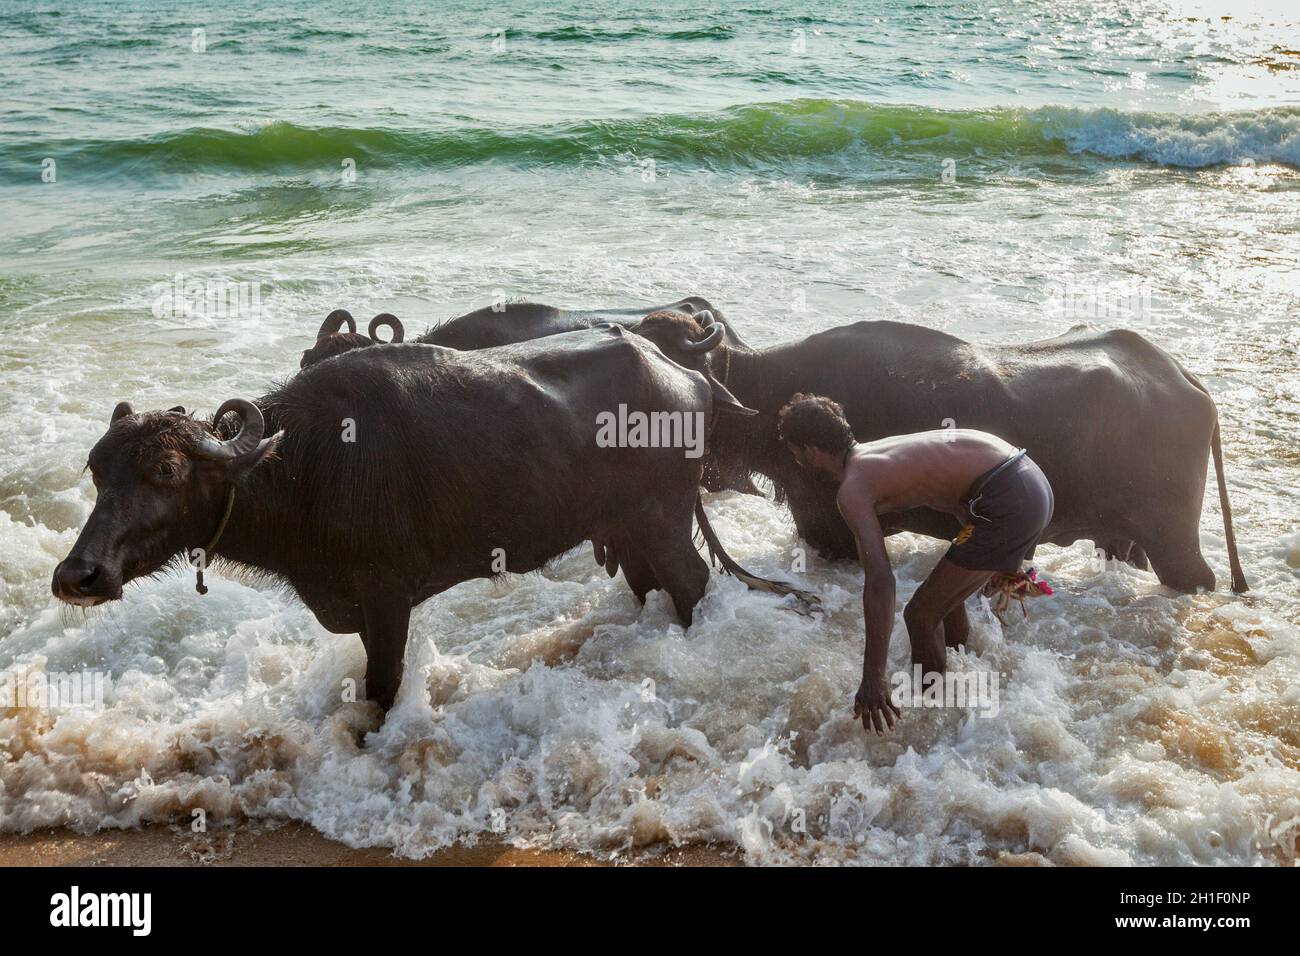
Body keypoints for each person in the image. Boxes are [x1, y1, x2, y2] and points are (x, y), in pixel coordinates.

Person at [777, 393, 1054, 736]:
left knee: (919, 616)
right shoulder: (878, 455)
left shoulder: (853, 488)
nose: (796, 459)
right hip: (1027, 480)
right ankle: (961, 689)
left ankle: (933, 718)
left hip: (1006, 498)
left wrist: (872, 679)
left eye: (794, 451)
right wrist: (996, 552)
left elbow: (880, 580)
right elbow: (953, 494)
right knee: (943, 602)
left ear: (810, 451)